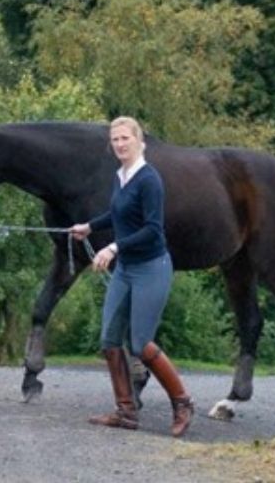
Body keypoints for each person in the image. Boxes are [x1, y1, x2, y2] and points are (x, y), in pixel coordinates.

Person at [69, 116, 193, 437]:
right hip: (125, 270)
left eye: (125, 138)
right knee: (110, 339)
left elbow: (152, 229)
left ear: (140, 142)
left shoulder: (149, 179)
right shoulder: (120, 176)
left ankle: (182, 403)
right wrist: (90, 227)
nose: (120, 144)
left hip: (151, 267)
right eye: (115, 140)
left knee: (139, 343)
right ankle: (126, 412)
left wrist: (112, 247)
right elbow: (118, 213)